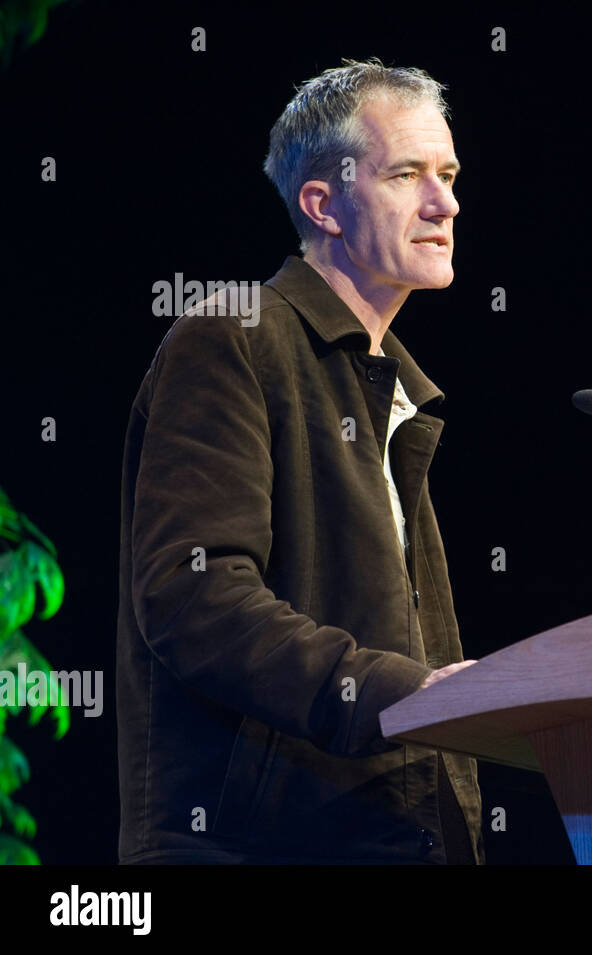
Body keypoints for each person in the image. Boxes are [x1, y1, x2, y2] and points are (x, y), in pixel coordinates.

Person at [116, 58, 483, 864]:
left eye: (451, 174)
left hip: (391, 837)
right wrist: (404, 693)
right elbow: (194, 596)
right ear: (325, 204)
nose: (446, 202)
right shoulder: (234, 338)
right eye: (409, 174)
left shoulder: (396, 393)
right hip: (261, 844)